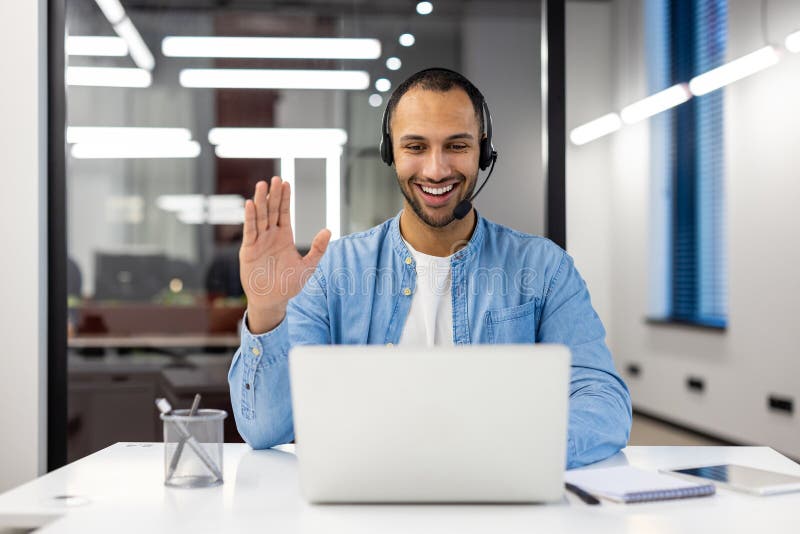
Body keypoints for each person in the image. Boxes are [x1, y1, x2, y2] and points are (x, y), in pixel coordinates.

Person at [228, 68, 631, 468]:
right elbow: (264, 430)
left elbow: (603, 403)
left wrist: (513, 454)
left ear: (483, 151)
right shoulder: (334, 272)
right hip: (366, 501)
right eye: (415, 147)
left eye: (456, 146)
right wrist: (267, 311)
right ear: (391, 153)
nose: (436, 170)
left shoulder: (544, 269)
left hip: (499, 497)